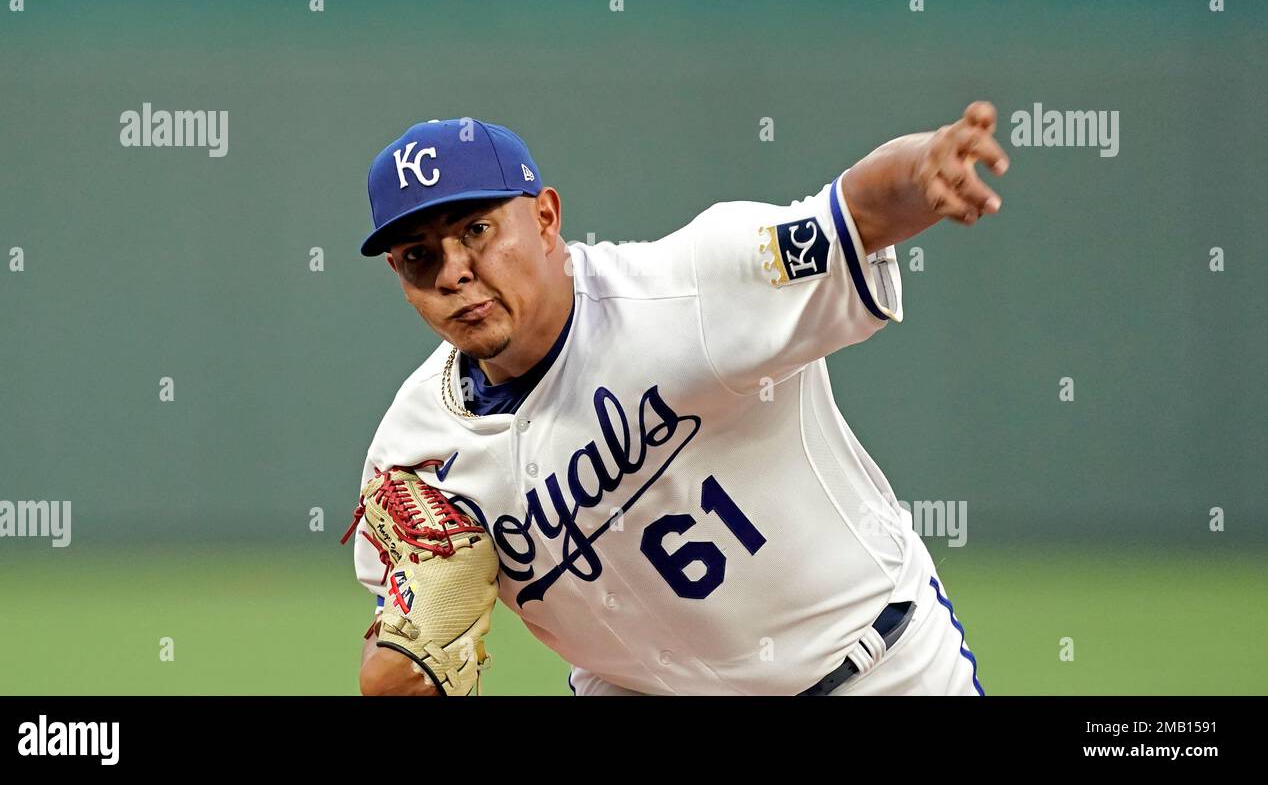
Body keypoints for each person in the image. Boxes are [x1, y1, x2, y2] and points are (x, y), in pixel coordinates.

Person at [352, 108, 1007, 695]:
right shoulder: (414, 449)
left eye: (476, 229)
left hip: (874, 670)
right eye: (417, 256)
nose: (453, 271)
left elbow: (855, 213)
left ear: (547, 217)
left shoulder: (690, 292)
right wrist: (401, 663)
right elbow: (404, 658)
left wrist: (922, 170)